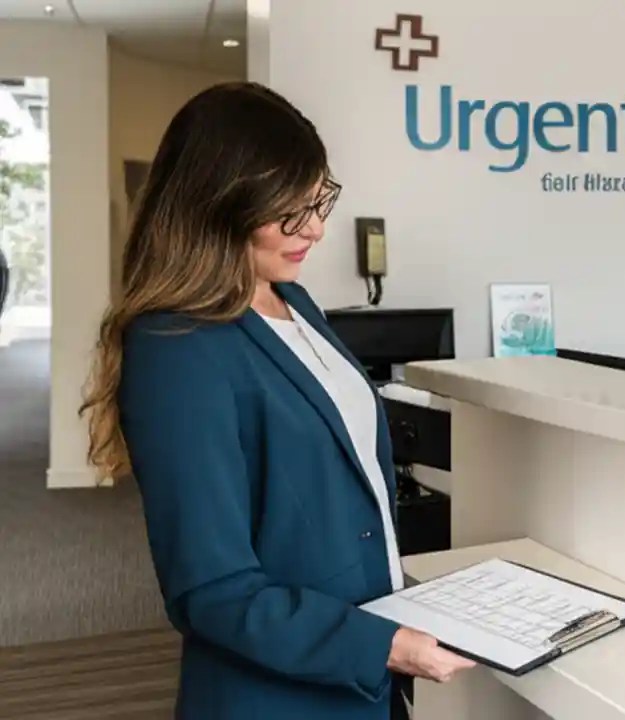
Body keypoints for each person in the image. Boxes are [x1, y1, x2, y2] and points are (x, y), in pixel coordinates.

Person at [80, 82, 475, 719]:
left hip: (365, 673)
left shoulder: (296, 302)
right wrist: (381, 646)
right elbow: (211, 589)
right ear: (219, 204)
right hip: (278, 694)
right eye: (287, 212)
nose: (315, 229)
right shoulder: (175, 346)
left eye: (317, 201)